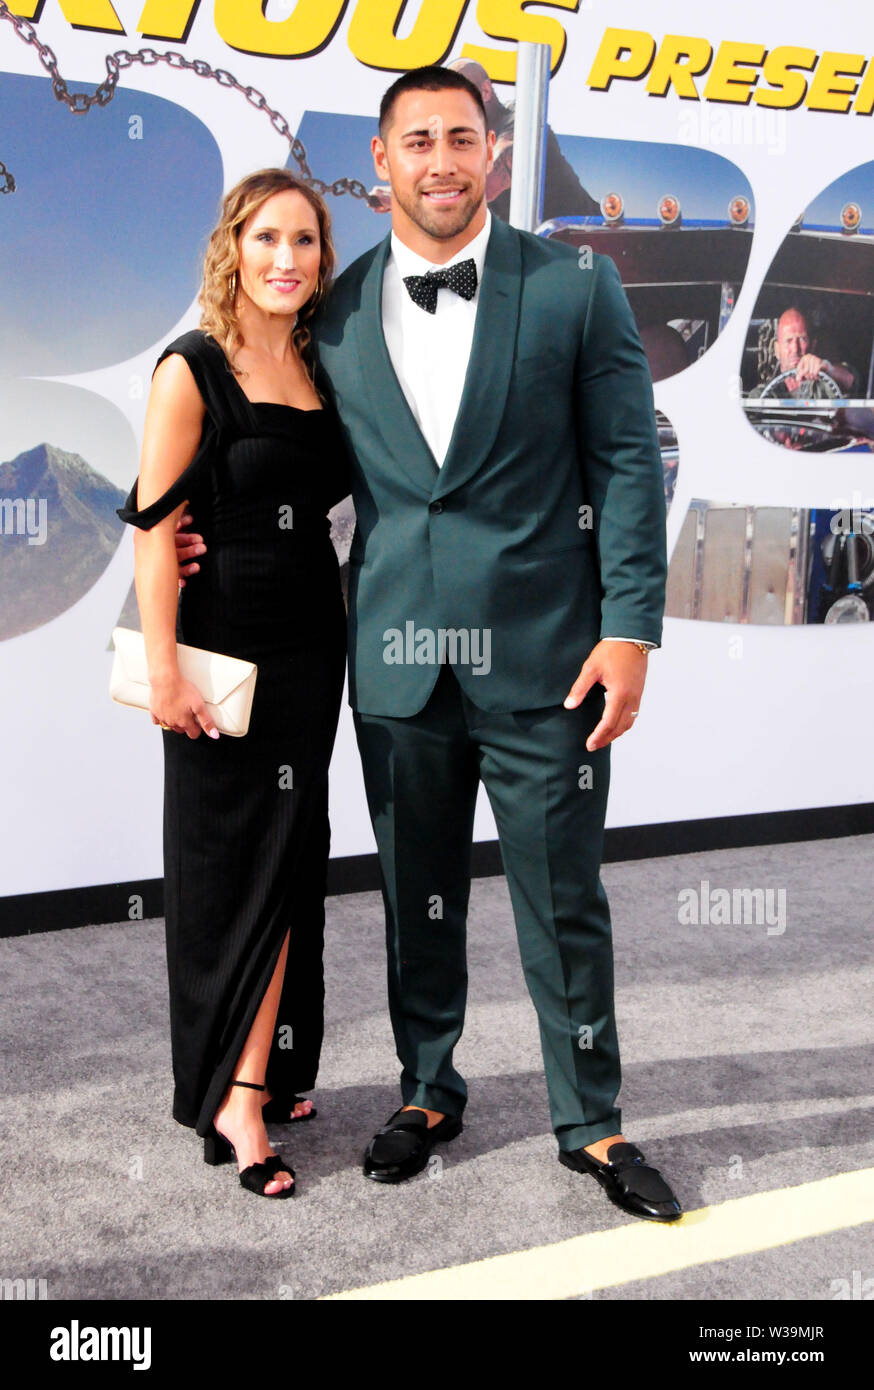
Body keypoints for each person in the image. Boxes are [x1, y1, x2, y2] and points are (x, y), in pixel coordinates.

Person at [179, 67, 681, 1222]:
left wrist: (629, 632)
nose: (442, 160)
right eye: (419, 140)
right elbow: (263, 433)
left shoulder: (574, 286)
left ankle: (592, 1121)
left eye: (463, 137)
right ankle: (428, 1089)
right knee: (418, 898)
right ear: (383, 158)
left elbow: (626, 468)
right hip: (397, 657)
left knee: (562, 900)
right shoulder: (335, 308)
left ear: (494, 153)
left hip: (550, 659)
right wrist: (192, 536)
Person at [119, 169, 350, 1199]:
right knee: (235, 871)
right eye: (267, 238)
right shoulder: (193, 368)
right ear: (234, 247)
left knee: (297, 858)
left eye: (303, 241)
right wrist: (163, 666)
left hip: (313, 646)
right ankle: (235, 1098)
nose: (286, 259)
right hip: (219, 655)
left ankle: (276, 1063)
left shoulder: (320, 365)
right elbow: (155, 529)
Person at [368, 58, 601, 225]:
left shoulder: (521, 121)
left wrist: (404, 195)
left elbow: (490, 181)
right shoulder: (467, 141)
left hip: (585, 236)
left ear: (486, 92)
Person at [749, 307, 855, 398]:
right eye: (788, 341)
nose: (795, 348)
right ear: (777, 350)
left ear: (812, 346)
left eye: (802, 339)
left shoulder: (825, 387)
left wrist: (828, 368)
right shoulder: (764, 395)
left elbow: (852, 381)